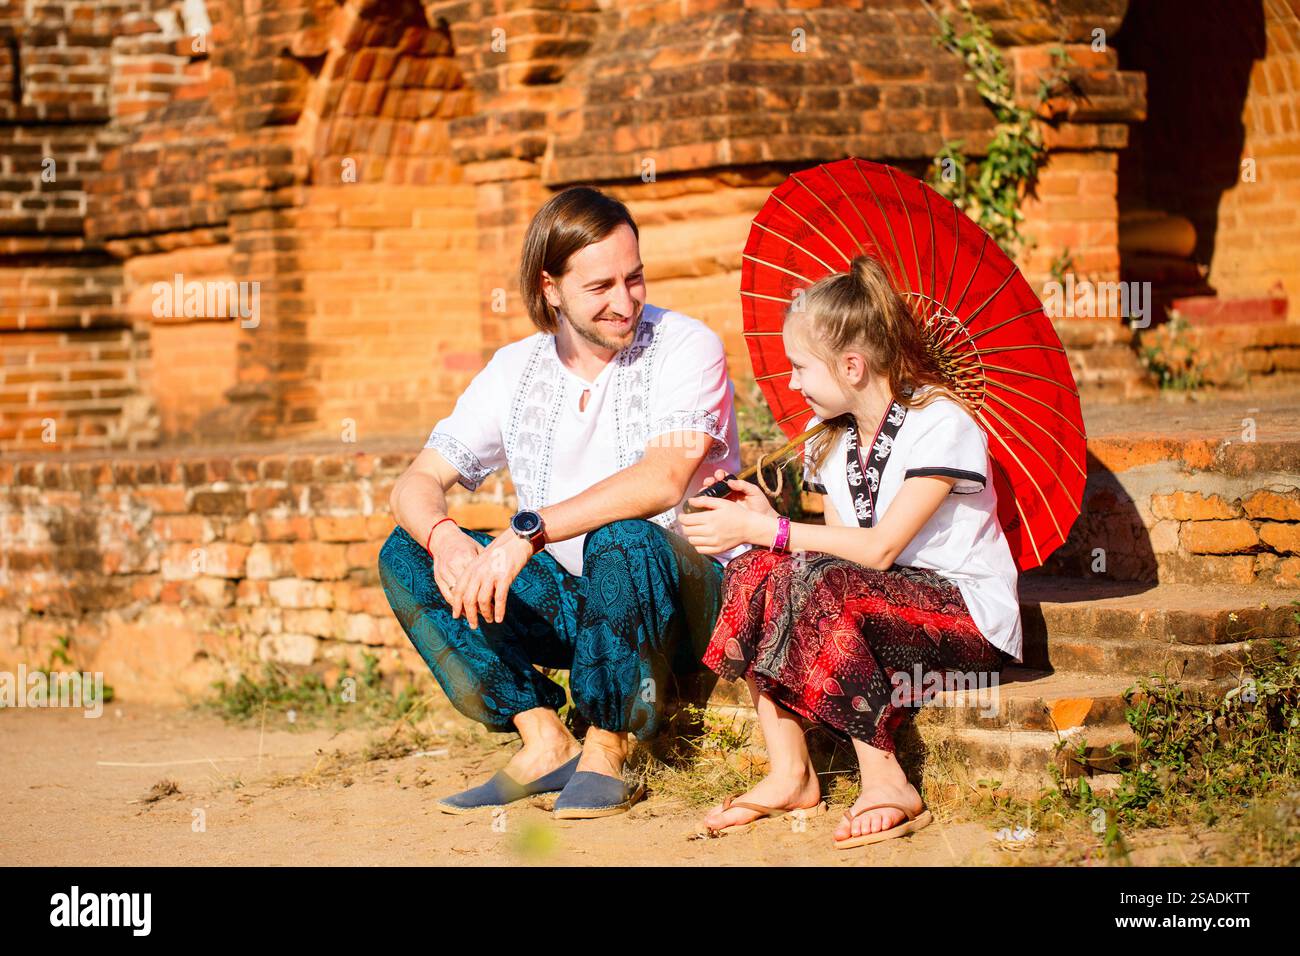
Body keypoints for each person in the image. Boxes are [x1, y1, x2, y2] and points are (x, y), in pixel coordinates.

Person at [378, 186, 749, 819]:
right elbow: (415, 481)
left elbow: (662, 480)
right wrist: (444, 537)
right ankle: (545, 740)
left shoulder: (687, 346)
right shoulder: (514, 369)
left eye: (634, 278)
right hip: (579, 605)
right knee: (405, 553)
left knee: (623, 538)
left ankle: (609, 747)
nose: (625, 300)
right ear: (550, 288)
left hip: (682, 599)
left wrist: (527, 533)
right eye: (599, 286)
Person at [680, 253, 1022, 848]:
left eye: (800, 368)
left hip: (965, 613)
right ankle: (791, 772)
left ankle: (887, 782)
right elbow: (831, 552)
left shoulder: (942, 422)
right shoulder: (833, 444)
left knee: (819, 577)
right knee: (758, 566)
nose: (791, 382)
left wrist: (773, 531)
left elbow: (881, 549)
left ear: (853, 366)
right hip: (876, 602)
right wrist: (765, 524)